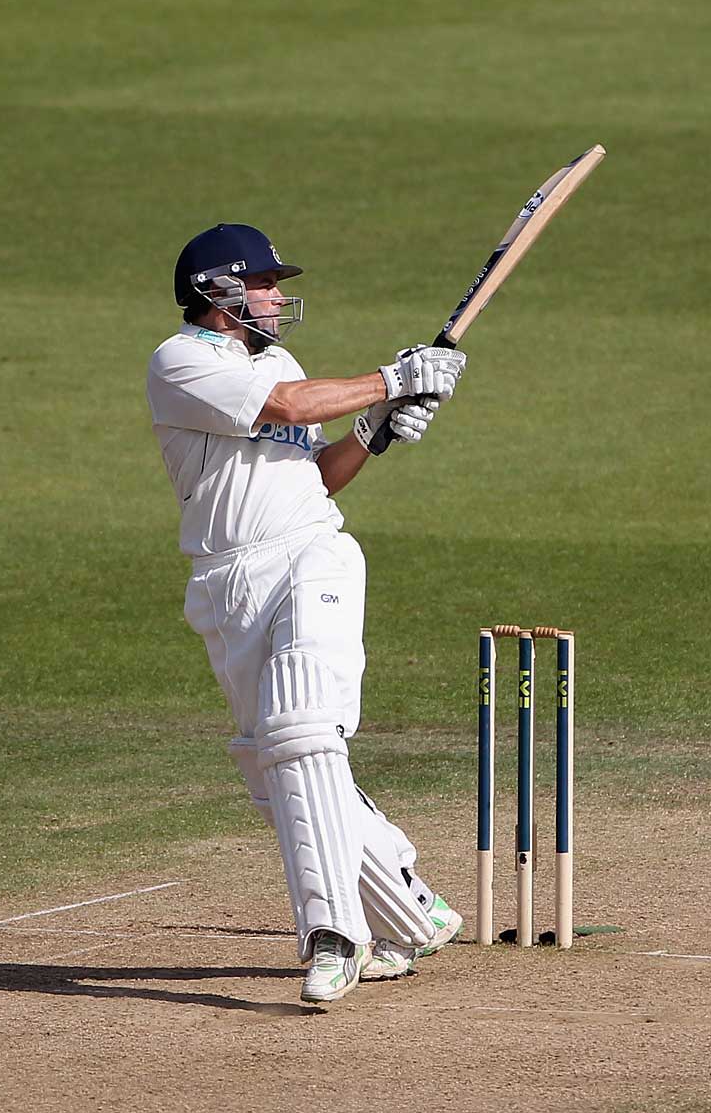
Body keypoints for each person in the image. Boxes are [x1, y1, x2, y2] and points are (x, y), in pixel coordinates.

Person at [146, 223, 467, 1004]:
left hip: (309, 557)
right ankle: (413, 911)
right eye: (264, 282)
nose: (279, 295)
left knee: (300, 734)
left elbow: (316, 475)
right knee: (273, 767)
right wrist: (391, 382)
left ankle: (333, 936)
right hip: (227, 583)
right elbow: (287, 405)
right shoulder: (180, 361)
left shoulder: (276, 358)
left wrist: (372, 432)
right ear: (218, 289)